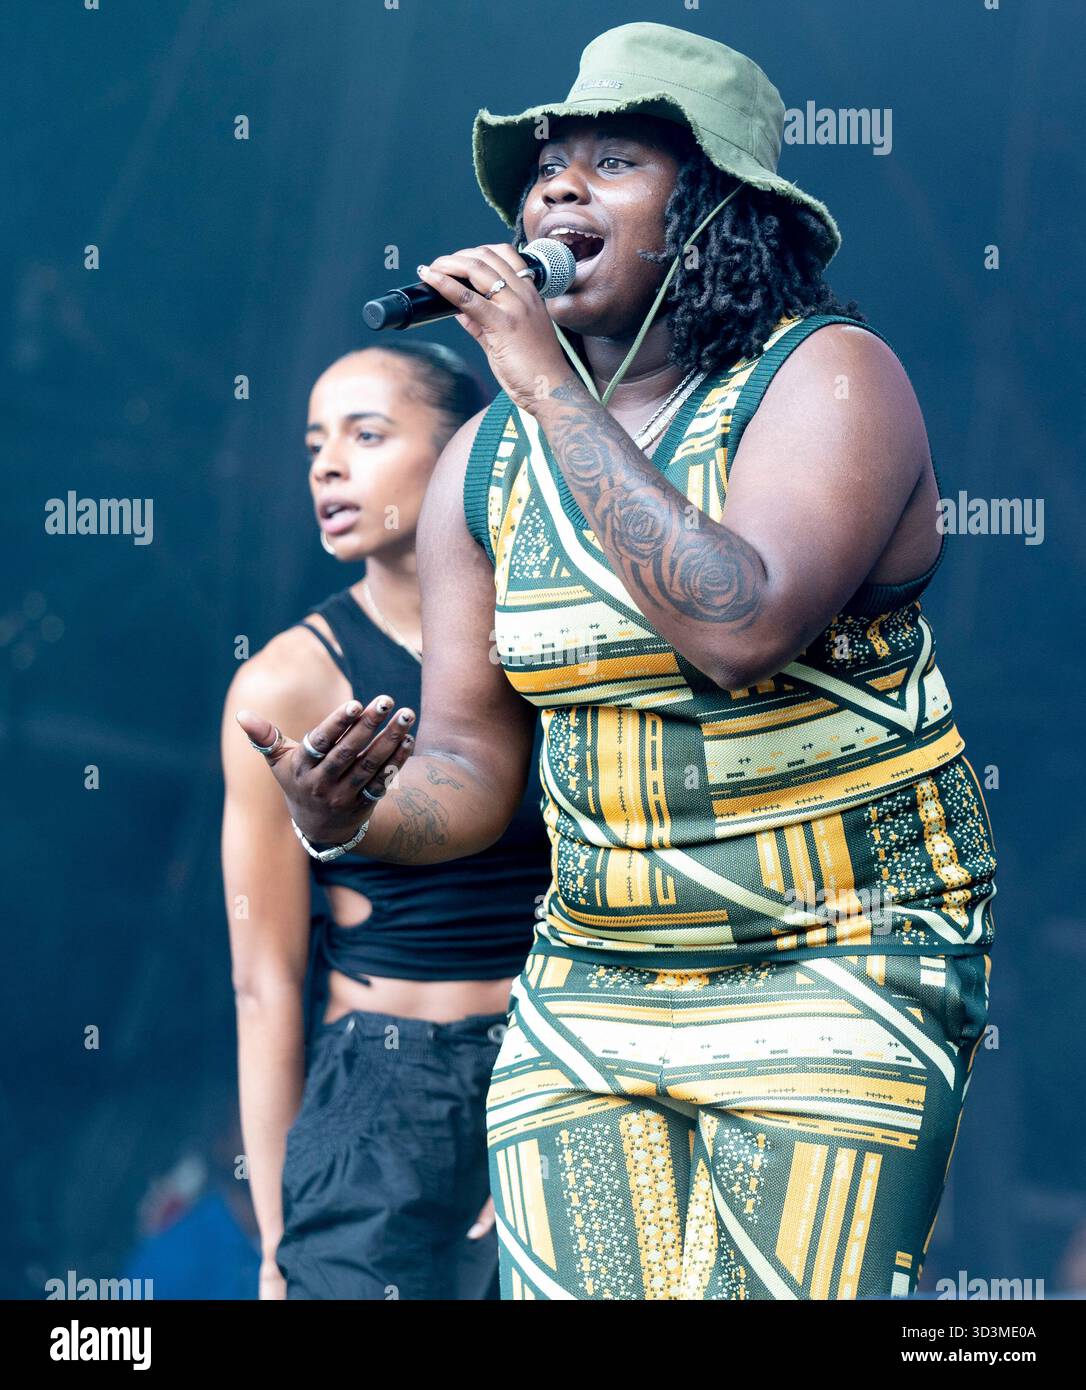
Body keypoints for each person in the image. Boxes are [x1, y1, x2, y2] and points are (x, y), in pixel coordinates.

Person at [236, 23, 997, 1300]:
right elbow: (474, 762)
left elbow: (740, 626)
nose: (555, 191)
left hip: (840, 961)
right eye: (543, 170)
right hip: (591, 982)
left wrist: (542, 382)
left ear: (712, 211)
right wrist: (349, 815)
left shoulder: (829, 380)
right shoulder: (485, 465)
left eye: (611, 161)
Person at [221, 341, 550, 1300]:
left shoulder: (557, 634)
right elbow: (265, 981)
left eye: (366, 435)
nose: (326, 464)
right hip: (382, 1097)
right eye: (316, 442)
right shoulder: (288, 678)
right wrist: (279, 1247)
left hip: (561, 1067)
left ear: (464, 454)